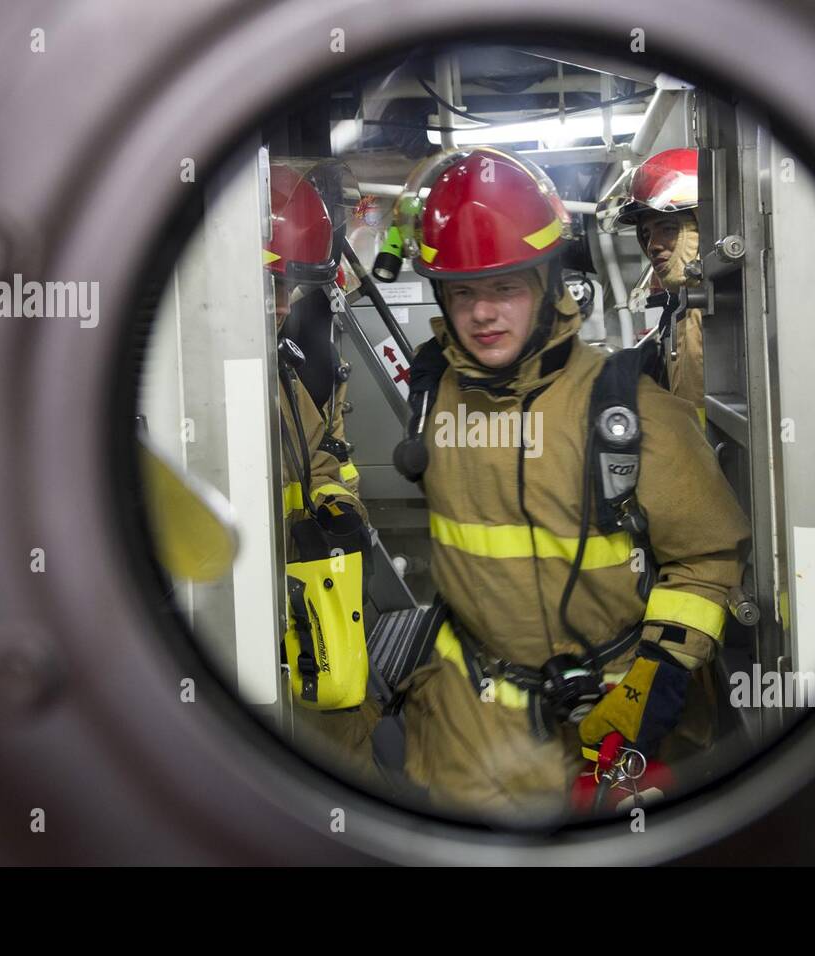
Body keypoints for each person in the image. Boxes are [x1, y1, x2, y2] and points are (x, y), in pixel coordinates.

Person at [394, 147, 751, 819]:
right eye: (463, 292)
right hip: (474, 723)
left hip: (617, 721)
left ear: (546, 281)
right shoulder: (431, 393)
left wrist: (653, 681)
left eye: (505, 287)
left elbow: (707, 558)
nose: (483, 314)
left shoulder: (628, 408)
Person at [265, 163, 379, 782]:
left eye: (292, 288)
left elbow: (325, 459)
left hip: (307, 577)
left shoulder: (300, 356)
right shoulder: (189, 374)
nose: (285, 305)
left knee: (340, 725)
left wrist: (338, 507)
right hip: (250, 591)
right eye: (273, 286)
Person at [601, 147, 708, 430]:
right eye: (646, 234)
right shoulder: (682, 311)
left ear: (703, 224)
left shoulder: (725, 310)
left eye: (667, 229)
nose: (653, 245)